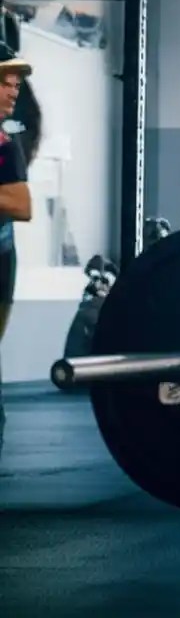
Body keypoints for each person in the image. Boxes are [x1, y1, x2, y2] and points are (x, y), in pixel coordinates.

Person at [0, 43, 34, 455]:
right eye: (6, 84)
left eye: (15, 85)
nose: (13, 93)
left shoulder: (6, 143)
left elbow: (20, 206)